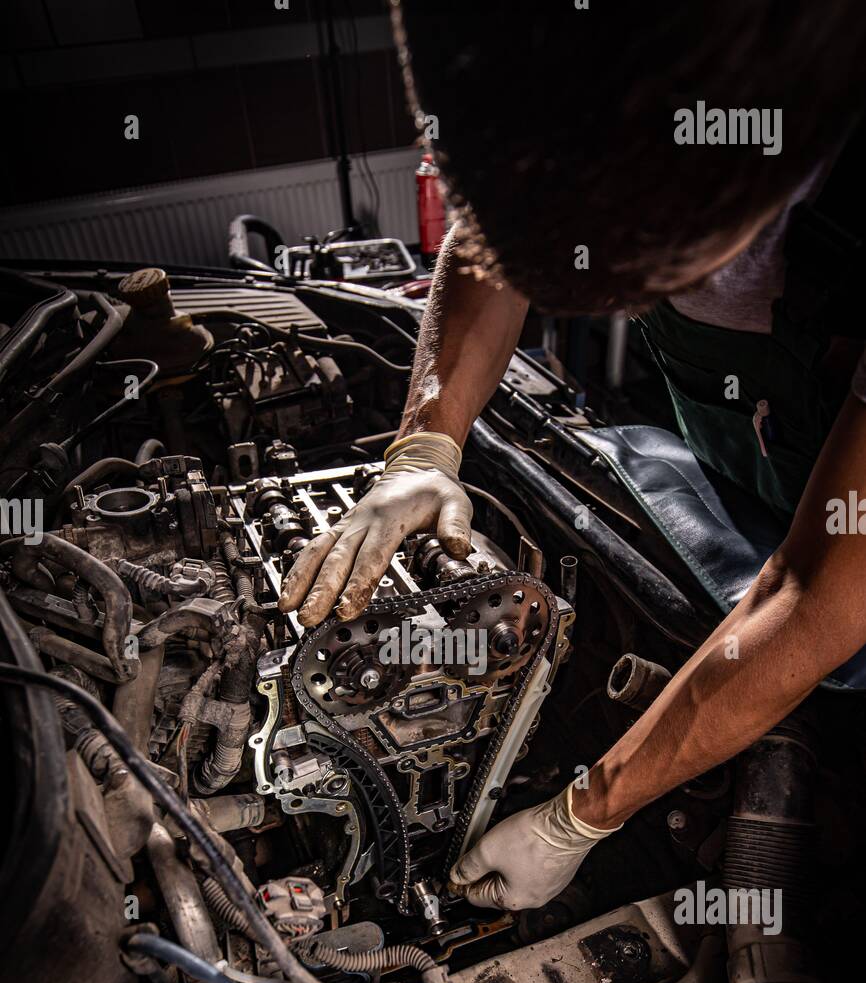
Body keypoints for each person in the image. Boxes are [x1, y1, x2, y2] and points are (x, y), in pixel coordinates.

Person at [280, 0, 866, 911]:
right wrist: (426, 447)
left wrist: (585, 813)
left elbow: (816, 593)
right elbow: (497, 232)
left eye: (651, 282)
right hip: (731, 443)